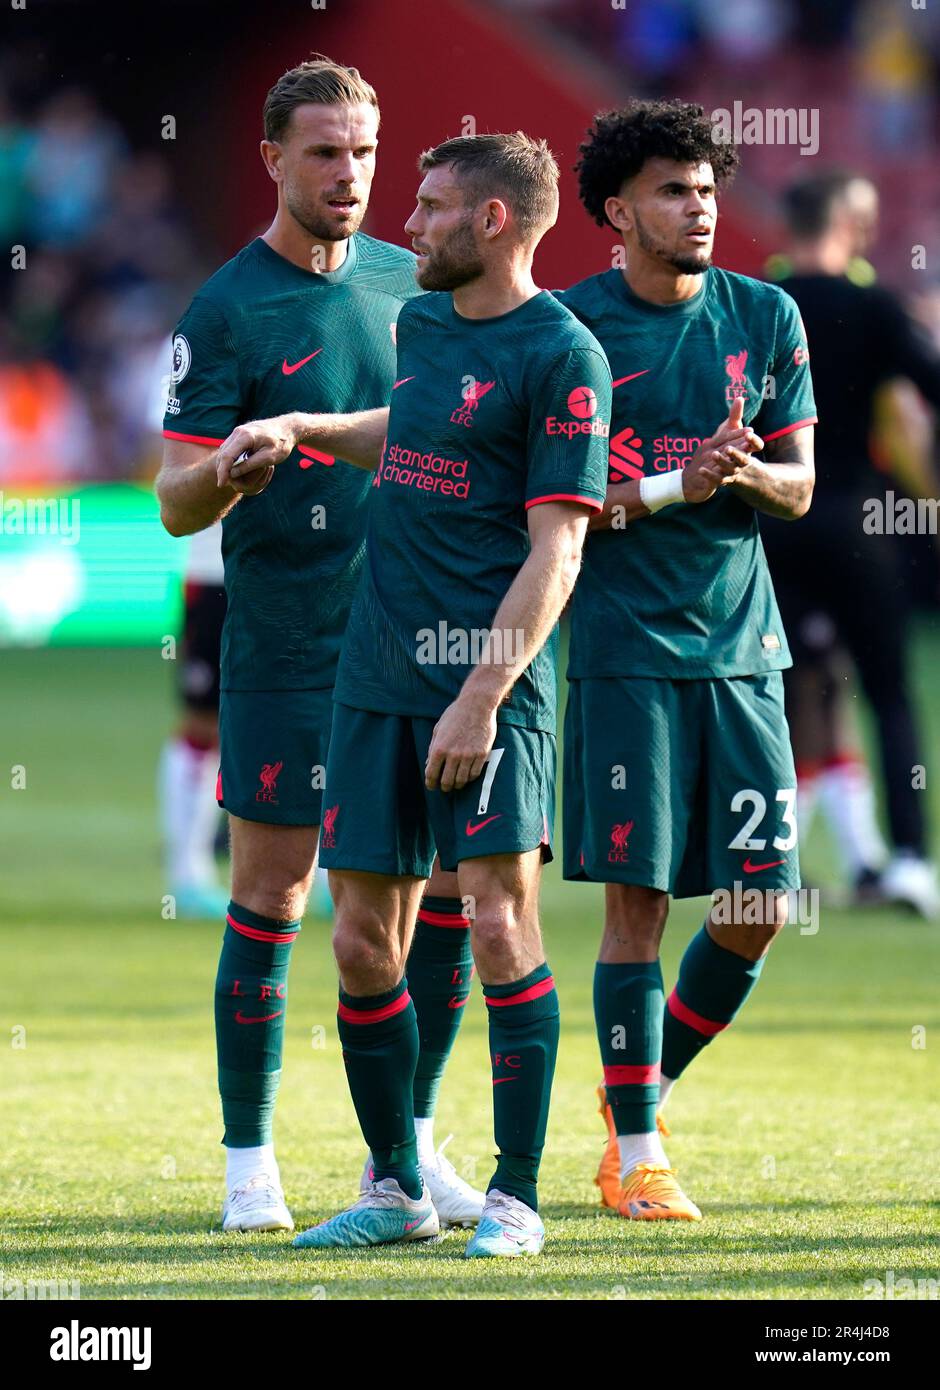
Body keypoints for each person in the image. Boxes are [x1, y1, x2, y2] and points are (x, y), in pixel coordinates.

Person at [217, 131, 612, 1256]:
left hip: (488, 687)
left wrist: (483, 695)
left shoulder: (562, 353)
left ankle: (518, 1195)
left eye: (434, 206)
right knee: (356, 943)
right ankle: (394, 1187)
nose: (410, 222)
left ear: (492, 222)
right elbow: (415, 432)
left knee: (496, 922)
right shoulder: (426, 325)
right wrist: (304, 428)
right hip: (375, 677)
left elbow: (557, 551)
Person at [155, 56, 482, 1236]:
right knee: (273, 897)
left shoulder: (419, 285)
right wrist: (224, 475)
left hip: (413, 646)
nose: (349, 175)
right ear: (273, 161)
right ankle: (250, 1163)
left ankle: (405, 1155)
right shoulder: (225, 308)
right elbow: (172, 502)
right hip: (288, 648)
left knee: (422, 907)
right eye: (325, 154)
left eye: (364, 153)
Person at [556, 100, 815, 1220]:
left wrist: (742, 476)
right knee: (639, 912)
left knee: (763, 900)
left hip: (743, 655)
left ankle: (632, 1091)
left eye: (707, 188)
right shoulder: (570, 332)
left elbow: (798, 487)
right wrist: (677, 485)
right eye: (673, 189)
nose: (699, 206)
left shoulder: (766, 317)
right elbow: (561, 509)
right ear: (619, 211)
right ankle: (640, 1153)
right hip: (622, 657)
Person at [762, 171, 940, 919]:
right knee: (889, 691)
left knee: (772, 692)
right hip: (860, 522)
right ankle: (905, 862)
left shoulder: (759, 305)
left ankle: (766, 861)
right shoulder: (874, 306)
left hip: (770, 516)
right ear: (848, 224)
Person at [158, 522, 229, 920]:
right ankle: (187, 876)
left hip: (299, 574)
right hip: (214, 572)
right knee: (203, 725)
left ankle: (324, 876)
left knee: (315, 721)